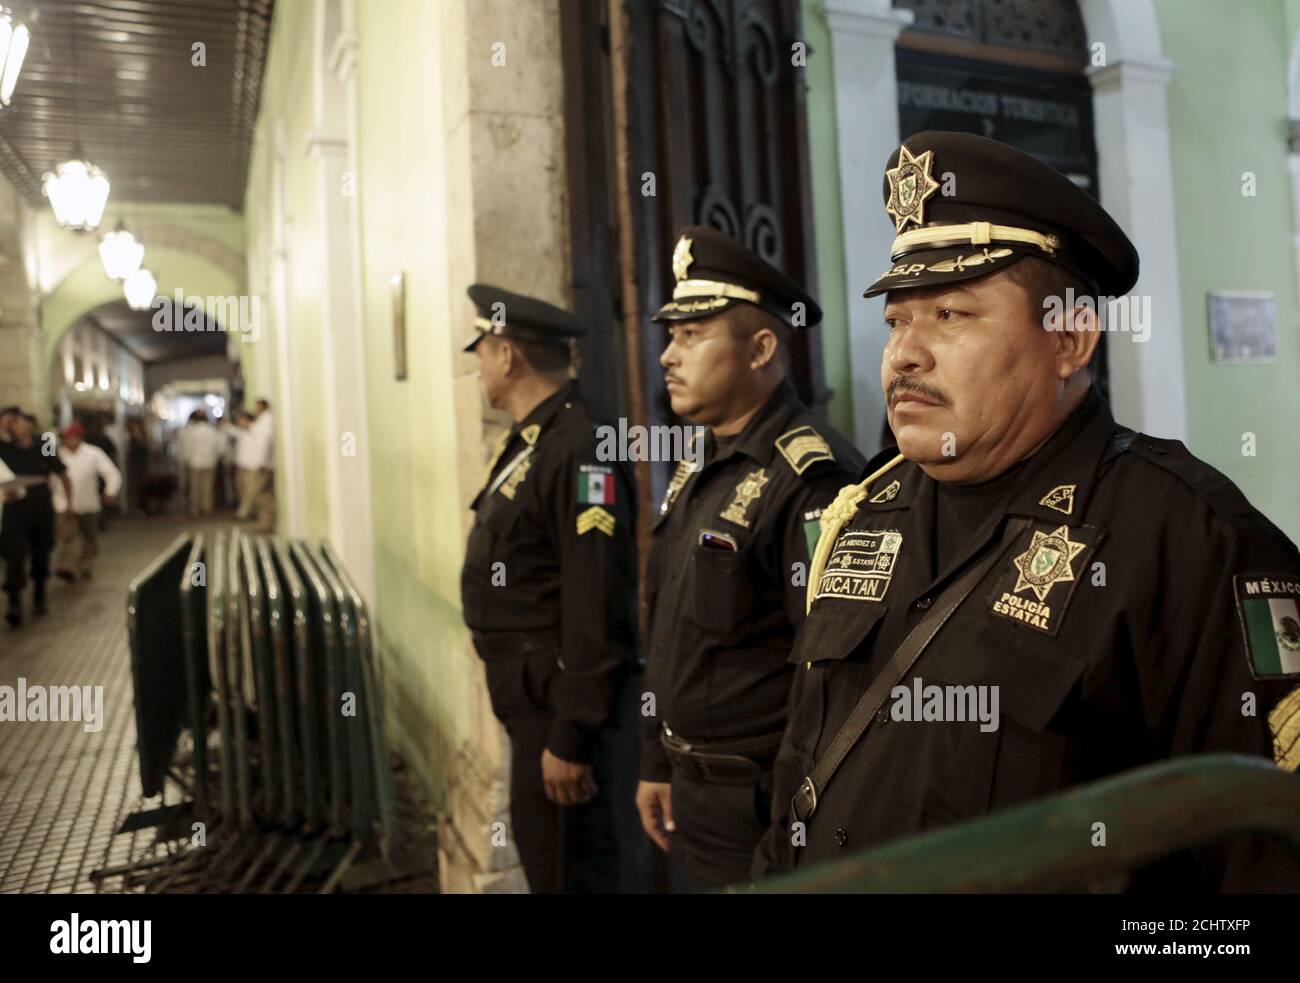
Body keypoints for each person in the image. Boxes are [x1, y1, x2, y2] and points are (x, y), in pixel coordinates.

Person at [755, 131, 1300, 891]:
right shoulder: (865, 512)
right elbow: (799, 776)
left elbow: (1259, 865)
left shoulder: (1189, 540)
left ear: (1070, 338)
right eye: (896, 320)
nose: (904, 354)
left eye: (950, 313)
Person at [635, 226, 865, 892]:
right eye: (671, 335)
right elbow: (671, 632)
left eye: (692, 334)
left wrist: (794, 821)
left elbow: (830, 677)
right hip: (690, 788)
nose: (667, 357)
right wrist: (656, 755)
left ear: (762, 347)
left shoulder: (812, 478)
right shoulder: (702, 463)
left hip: (761, 805)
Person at [459, 284, 638, 893]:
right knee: (547, 861)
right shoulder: (534, 439)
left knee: (568, 871)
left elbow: (596, 596)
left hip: (556, 707)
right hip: (531, 701)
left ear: (507, 355)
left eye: (480, 351)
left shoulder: (580, 448)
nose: (477, 366)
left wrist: (572, 732)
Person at [0, 414, 72, 627]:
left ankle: (40, 592)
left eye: (18, 421)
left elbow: (59, 471)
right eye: (10, 423)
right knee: (14, 554)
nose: (16, 427)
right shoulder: (4, 448)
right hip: (14, 508)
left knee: (42, 551)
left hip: (40, 505)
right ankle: (14, 601)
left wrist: (69, 502)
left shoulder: (45, 443)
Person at [52, 423, 121, 581]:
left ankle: (86, 565)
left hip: (88, 503)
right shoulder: (56, 456)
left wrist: (110, 491)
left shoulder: (93, 453)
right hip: (63, 503)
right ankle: (67, 567)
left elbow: (112, 474)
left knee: (89, 537)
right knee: (67, 536)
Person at [176, 409, 224, 517]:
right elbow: (220, 448)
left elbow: (187, 448)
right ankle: (207, 509)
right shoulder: (213, 431)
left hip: (195, 462)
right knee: (208, 487)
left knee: (195, 487)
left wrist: (186, 460)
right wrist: (215, 458)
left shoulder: (192, 432)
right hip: (210, 463)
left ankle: (195, 510)